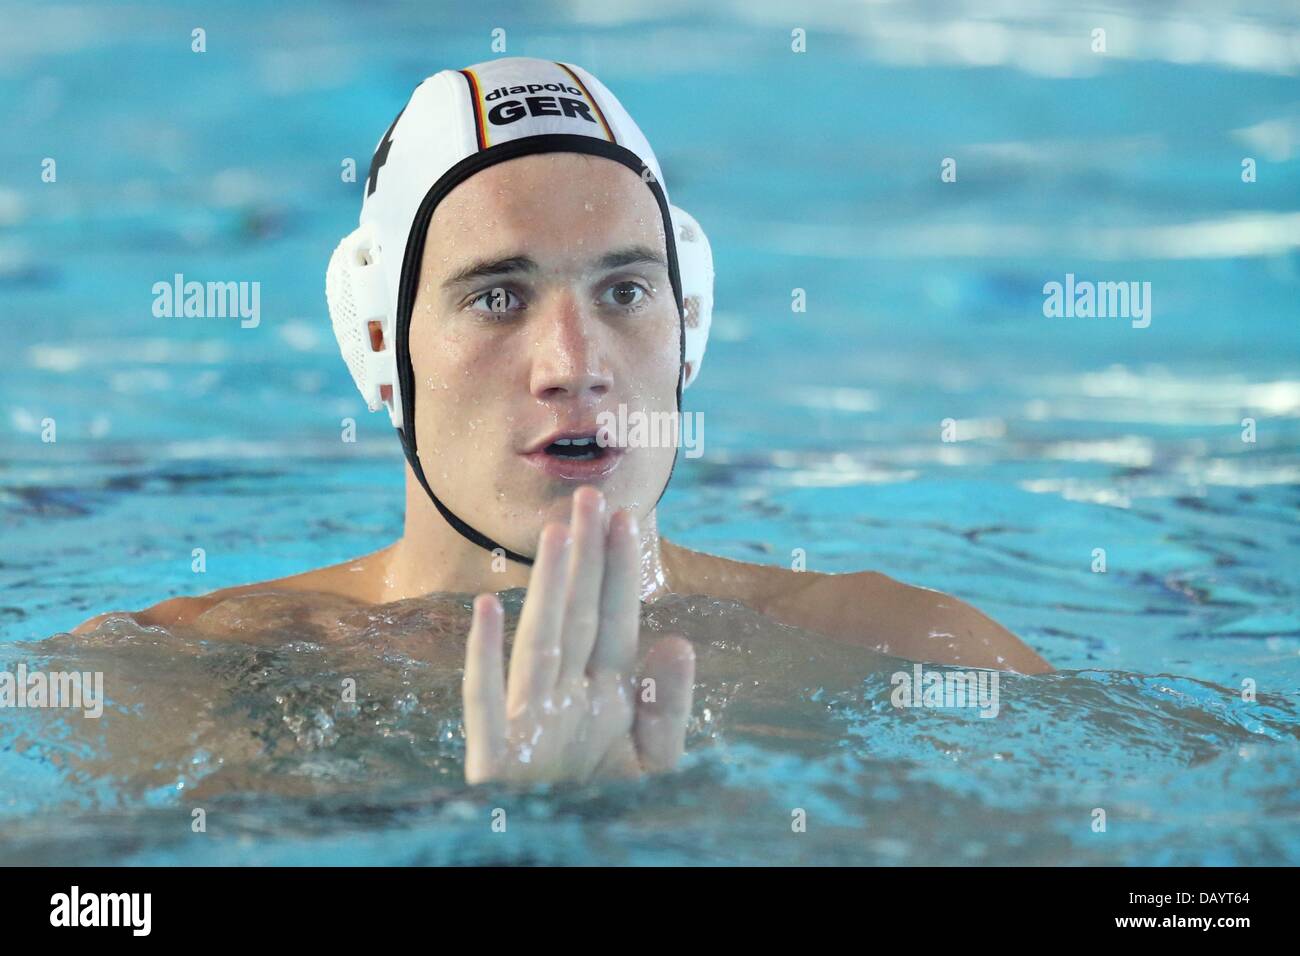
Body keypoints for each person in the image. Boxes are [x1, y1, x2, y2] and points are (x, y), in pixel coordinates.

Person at [73, 57, 1052, 786]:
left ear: (690, 324)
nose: (575, 364)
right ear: (378, 342)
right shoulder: (183, 676)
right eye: (497, 297)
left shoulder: (910, 649)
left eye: (625, 288)